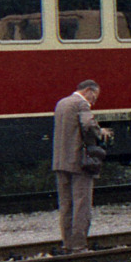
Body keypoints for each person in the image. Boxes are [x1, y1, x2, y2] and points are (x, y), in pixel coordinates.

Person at [52, 79, 112, 252]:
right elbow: (87, 124)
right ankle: (79, 245)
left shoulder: (61, 103)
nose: (94, 101)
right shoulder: (81, 104)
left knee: (65, 205)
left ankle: (67, 243)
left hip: (60, 162)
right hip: (79, 163)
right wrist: (101, 132)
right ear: (88, 91)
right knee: (81, 204)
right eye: (95, 96)